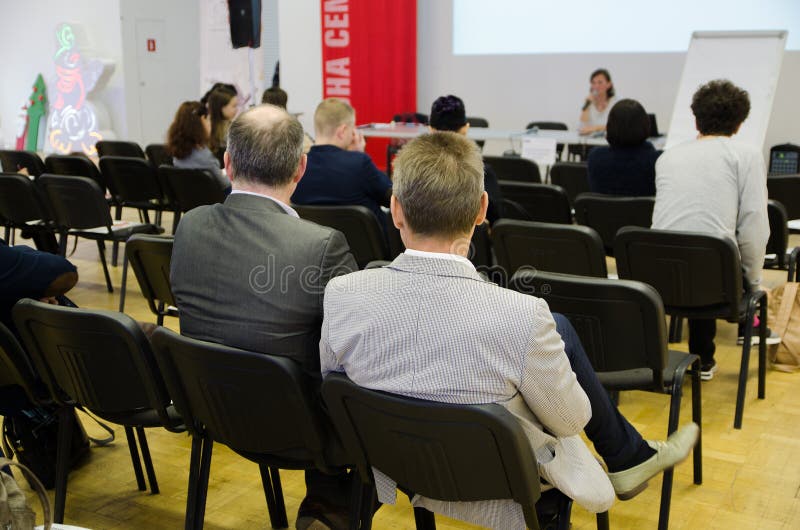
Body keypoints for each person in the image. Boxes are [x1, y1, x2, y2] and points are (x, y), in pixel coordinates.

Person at [320, 132, 699, 529]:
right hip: (505, 489)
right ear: (482, 209)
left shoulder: (342, 294)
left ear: (395, 210)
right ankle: (629, 456)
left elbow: (335, 387)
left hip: (397, 468)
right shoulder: (523, 316)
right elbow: (571, 422)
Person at [170, 104, 358, 530]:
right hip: (302, 434)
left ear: (227, 162)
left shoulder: (191, 225)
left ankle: (326, 504)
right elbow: (355, 345)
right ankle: (328, 505)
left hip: (211, 411)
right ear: (300, 169)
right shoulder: (321, 245)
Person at [652, 79, 774, 380]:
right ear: (739, 123)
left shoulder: (667, 157)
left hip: (661, 278)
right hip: (715, 281)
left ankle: (702, 358)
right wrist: (754, 282)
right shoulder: (746, 156)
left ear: (696, 118)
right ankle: (710, 353)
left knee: (696, 249)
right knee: (715, 254)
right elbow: (754, 225)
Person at [291, 98, 392, 232]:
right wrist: (359, 155)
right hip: (371, 251)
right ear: (343, 130)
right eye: (352, 130)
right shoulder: (360, 164)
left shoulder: (298, 168)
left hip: (316, 250)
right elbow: (392, 199)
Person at [429, 94, 504, 224]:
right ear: (465, 129)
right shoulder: (482, 173)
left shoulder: (415, 172)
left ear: (430, 130)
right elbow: (497, 221)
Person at [587, 99, 660, 196]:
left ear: (609, 126)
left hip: (605, 211)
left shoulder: (595, 157)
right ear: (646, 125)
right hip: (643, 211)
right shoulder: (657, 160)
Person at [166, 101, 230, 193]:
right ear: (202, 120)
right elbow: (224, 184)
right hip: (213, 202)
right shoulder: (204, 156)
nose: (210, 123)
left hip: (189, 200)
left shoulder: (177, 152)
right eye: (208, 119)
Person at [579, 68, 616, 135]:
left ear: (609, 84)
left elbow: (616, 126)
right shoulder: (588, 101)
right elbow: (582, 126)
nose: (596, 86)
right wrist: (587, 106)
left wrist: (595, 128)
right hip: (589, 141)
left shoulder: (615, 102)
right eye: (593, 83)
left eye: (600, 82)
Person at [207, 87, 238, 156]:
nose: (237, 110)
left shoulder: (234, 127)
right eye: (234, 106)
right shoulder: (207, 126)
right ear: (221, 107)